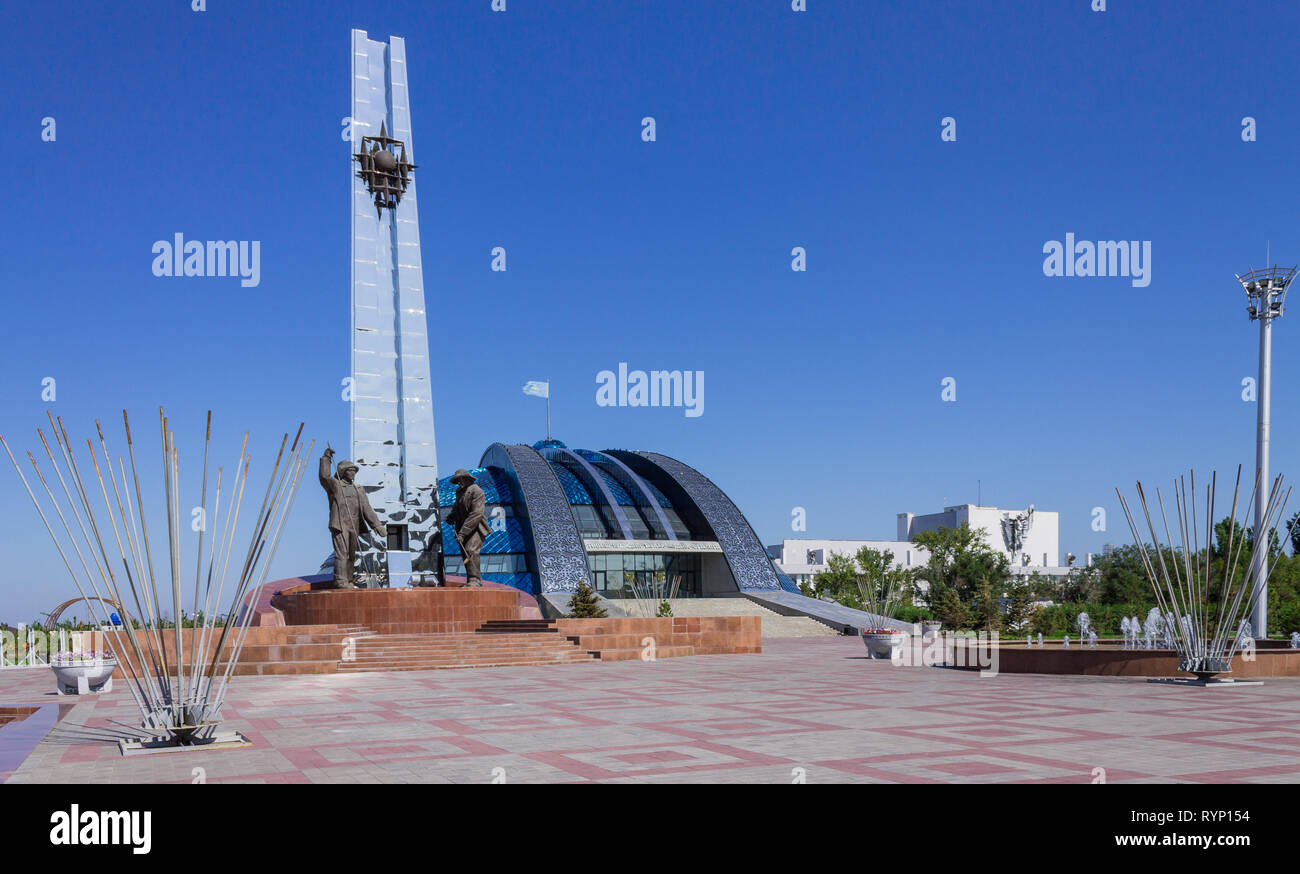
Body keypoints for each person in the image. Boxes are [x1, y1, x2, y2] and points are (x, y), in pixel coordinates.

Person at [319, 447, 387, 588]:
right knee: (341, 554)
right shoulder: (335, 485)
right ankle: (340, 581)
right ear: (343, 472)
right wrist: (326, 459)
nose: (354, 473)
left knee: (351, 555)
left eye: (355, 471)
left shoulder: (358, 489)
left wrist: (377, 525)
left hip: (354, 525)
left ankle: (348, 580)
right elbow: (324, 477)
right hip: (340, 524)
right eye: (351, 471)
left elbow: (366, 508)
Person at [447, 469, 490, 587]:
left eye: (460, 479)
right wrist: (452, 516)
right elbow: (456, 507)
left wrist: (463, 532)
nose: (459, 483)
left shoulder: (477, 491)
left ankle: (475, 580)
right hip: (462, 527)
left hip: (476, 527)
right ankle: (471, 579)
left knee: (471, 550)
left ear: (466, 478)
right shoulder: (459, 492)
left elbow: (476, 514)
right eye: (457, 481)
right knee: (465, 553)